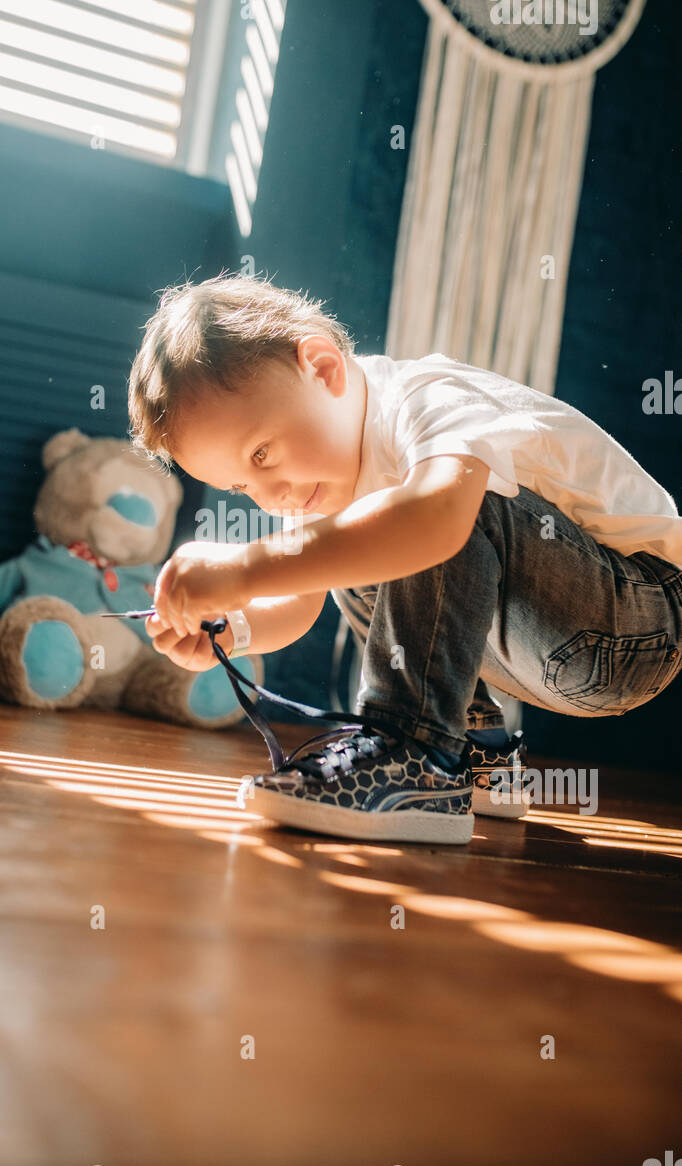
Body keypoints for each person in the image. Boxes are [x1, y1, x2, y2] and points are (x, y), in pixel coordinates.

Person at [126, 272, 682, 844]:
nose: (272, 496)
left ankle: (411, 753)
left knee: (433, 515)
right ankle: (473, 751)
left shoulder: (425, 398)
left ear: (322, 367)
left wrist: (243, 567)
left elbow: (436, 519)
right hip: (549, 643)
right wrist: (231, 624)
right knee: (347, 552)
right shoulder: (322, 488)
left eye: (262, 454)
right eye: (242, 488)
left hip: (638, 618)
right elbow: (299, 600)